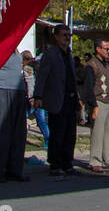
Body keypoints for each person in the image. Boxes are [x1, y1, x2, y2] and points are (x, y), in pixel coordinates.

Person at [34, 24, 81, 177]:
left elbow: (72, 78)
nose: (67, 38)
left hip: (70, 99)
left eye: (69, 36)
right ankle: (55, 164)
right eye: (64, 35)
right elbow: (42, 76)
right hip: (57, 99)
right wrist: (38, 96)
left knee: (70, 134)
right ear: (56, 37)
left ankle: (67, 163)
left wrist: (77, 97)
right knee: (58, 133)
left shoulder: (69, 54)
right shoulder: (51, 54)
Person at [0, 47, 29, 183]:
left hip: (18, 91)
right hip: (1, 89)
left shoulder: (16, 50)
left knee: (18, 133)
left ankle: (15, 170)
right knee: (1, 131)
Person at [82, 39, 109, 170]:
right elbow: (88, 87)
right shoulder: (91, 65)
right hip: (98, 101)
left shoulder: (107, 65)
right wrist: (93, 105)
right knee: (98, 132)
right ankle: (95, 161)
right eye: (106, 49)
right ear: (98, 49)